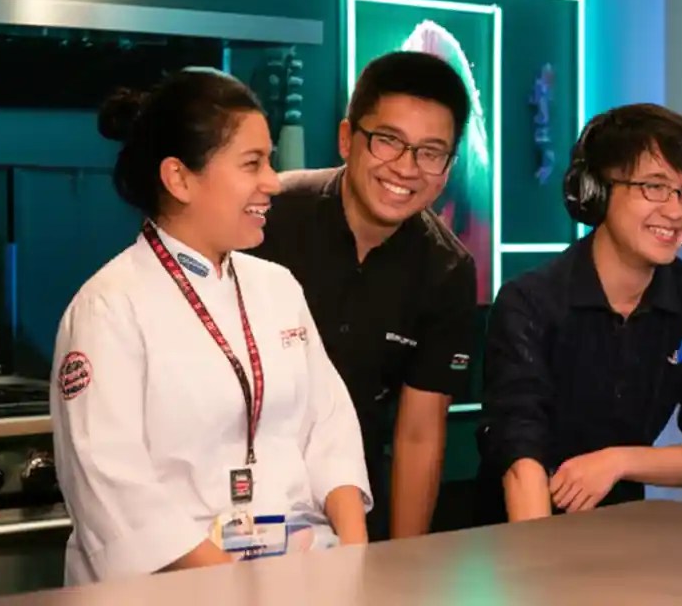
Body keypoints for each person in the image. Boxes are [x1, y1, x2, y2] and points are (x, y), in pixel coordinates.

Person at [50, 68, 370, 586]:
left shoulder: (278, 286)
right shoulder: (107, 308)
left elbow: (328, 426)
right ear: (178, 178)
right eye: (253, 163)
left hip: (296, 576)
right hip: (172, 590)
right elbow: (114, 491)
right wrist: (236, 585)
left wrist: (355, 557)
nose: (272, 181)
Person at [475, 103, 682, 522]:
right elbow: (519, 451)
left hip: (621, 537)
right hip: (517, 533)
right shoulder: (529, 302)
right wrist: (534, 566)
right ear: (596, 191)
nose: (675, 210)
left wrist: (618, 461)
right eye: (654, 187)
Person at [249, 51, 477, 541]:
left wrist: (403, 561)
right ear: (347, 138)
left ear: (448, 166)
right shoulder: (269, 219)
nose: (407, 168)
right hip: (239, 499)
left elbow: (419, 434)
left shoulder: (447, 269)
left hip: (353, 505)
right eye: (389, 141)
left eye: (431, 152)